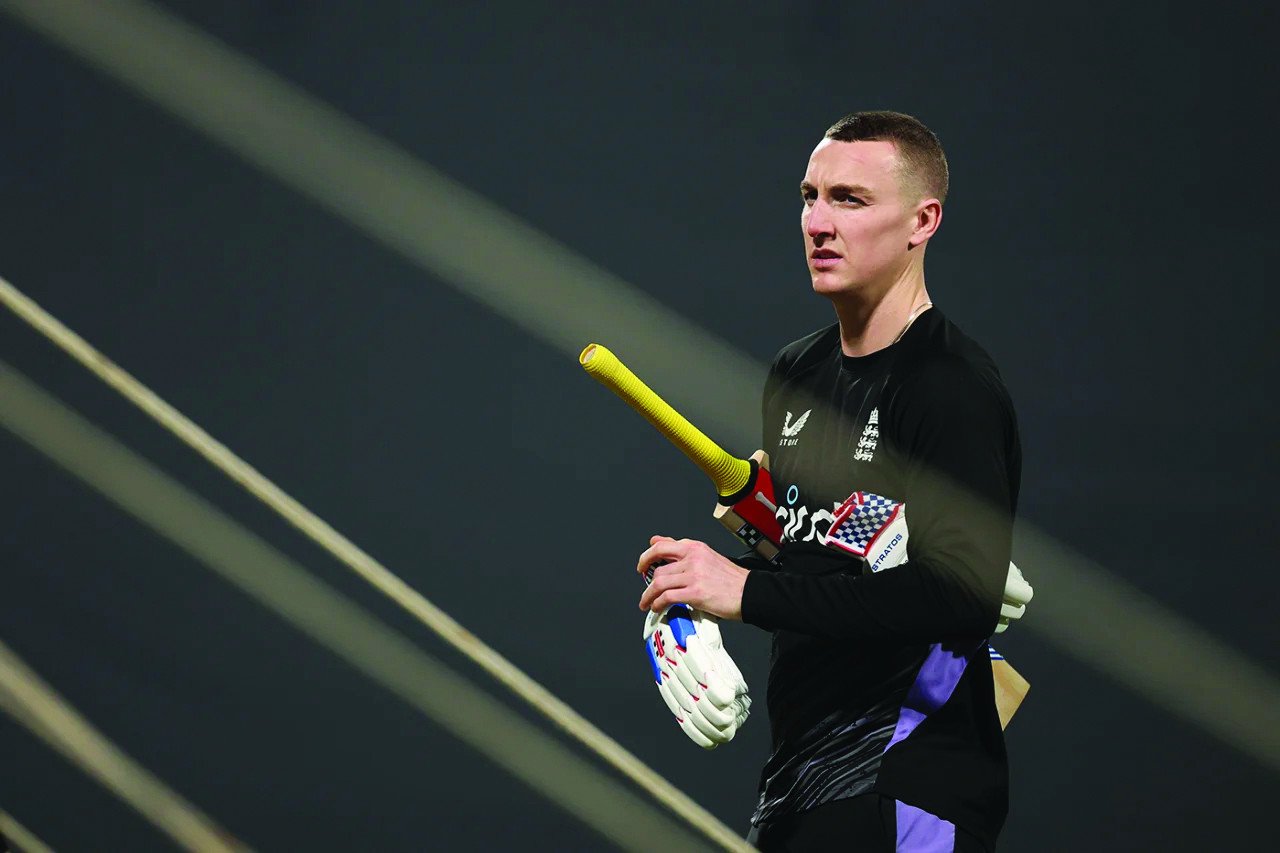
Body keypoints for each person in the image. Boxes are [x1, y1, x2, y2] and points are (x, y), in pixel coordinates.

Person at [637, 111, 1021, 852]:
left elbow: (962, 599)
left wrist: (745, 591)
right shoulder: (797, 373)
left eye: (849, 199)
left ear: (922, 220)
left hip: (910, 786)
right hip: (798, 781)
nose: (818, 221)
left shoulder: (950, 386)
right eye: (809, 196)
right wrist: (697, 583)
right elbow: (820, 569)